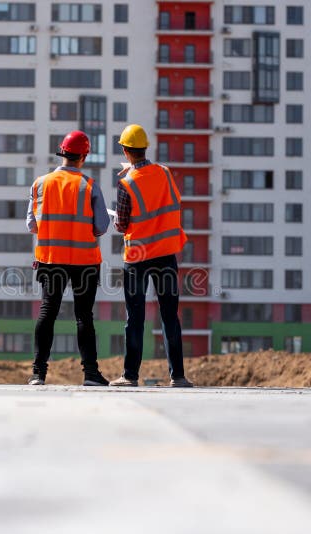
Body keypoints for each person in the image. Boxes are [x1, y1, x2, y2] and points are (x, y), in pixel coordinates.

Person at [109, 124, 194, 388]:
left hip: (137, 256)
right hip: (166, 253)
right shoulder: (165, 173)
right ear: (145, 148)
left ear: (124, 150)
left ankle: (130, 376)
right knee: (170, 316)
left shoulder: (126, 183)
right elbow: (171, 202)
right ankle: (177, 376)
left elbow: (122, 223)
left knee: (135, 317)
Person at [25, 130, 110, 386]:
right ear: (83, 156)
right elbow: (102, 226)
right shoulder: (89, 186)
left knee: (47, 311)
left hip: (51, 258)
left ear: (62, 153)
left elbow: (31, 224)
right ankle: (91, 374)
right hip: (84, 261)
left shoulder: (40, 184)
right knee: (84, 316)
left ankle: (38, 374)